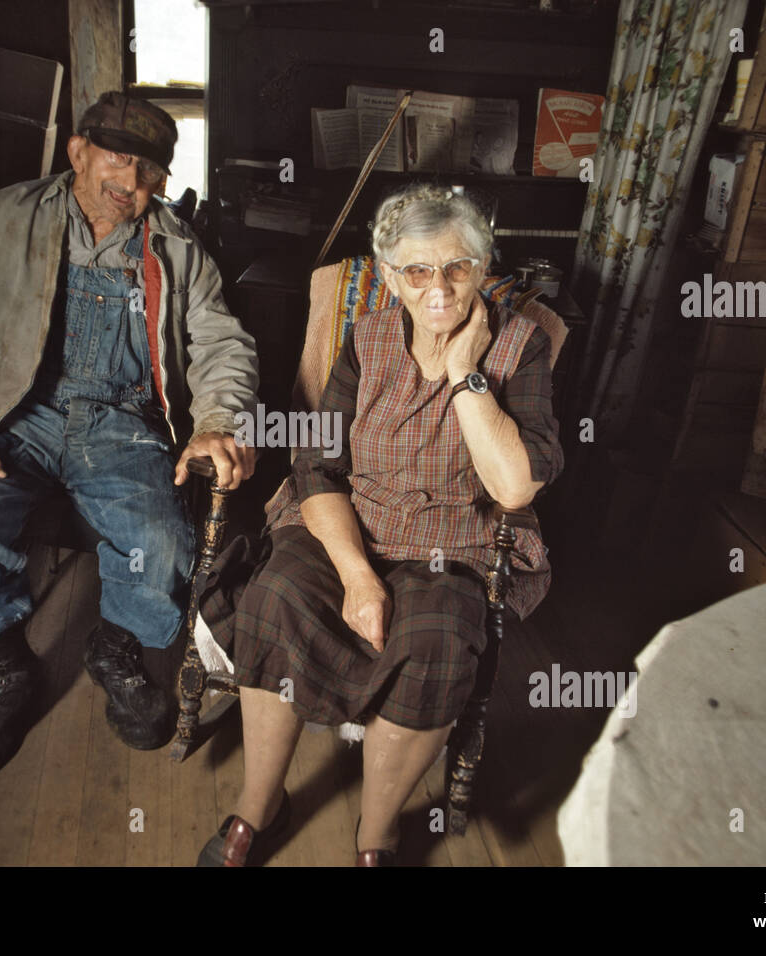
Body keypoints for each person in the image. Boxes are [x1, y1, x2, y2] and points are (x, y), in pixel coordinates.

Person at [0, 91, 259, 787]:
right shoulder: (3, 217)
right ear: (78, 151)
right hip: (11, 419)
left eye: (150, 175)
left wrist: (216, 424)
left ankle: (113, 649)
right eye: (119, 161)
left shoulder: (175, 246)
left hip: (122, 423)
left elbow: (222, 342)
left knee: (165, 544)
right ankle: (4, 668)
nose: (132, 187)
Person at [195, 183, 562, 865]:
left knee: (440, 639)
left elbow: (513, 486)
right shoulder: (367, 340)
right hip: (351, 525)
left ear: (483, 267)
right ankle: (259, 804)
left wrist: (463, 374)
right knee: (275, 598)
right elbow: (317, 468)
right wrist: (359, 575)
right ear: (390, 276)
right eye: (417, 270)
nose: (440, 289)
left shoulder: (520, 348)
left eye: (457, 266)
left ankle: (377, 833)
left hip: (457, 542)